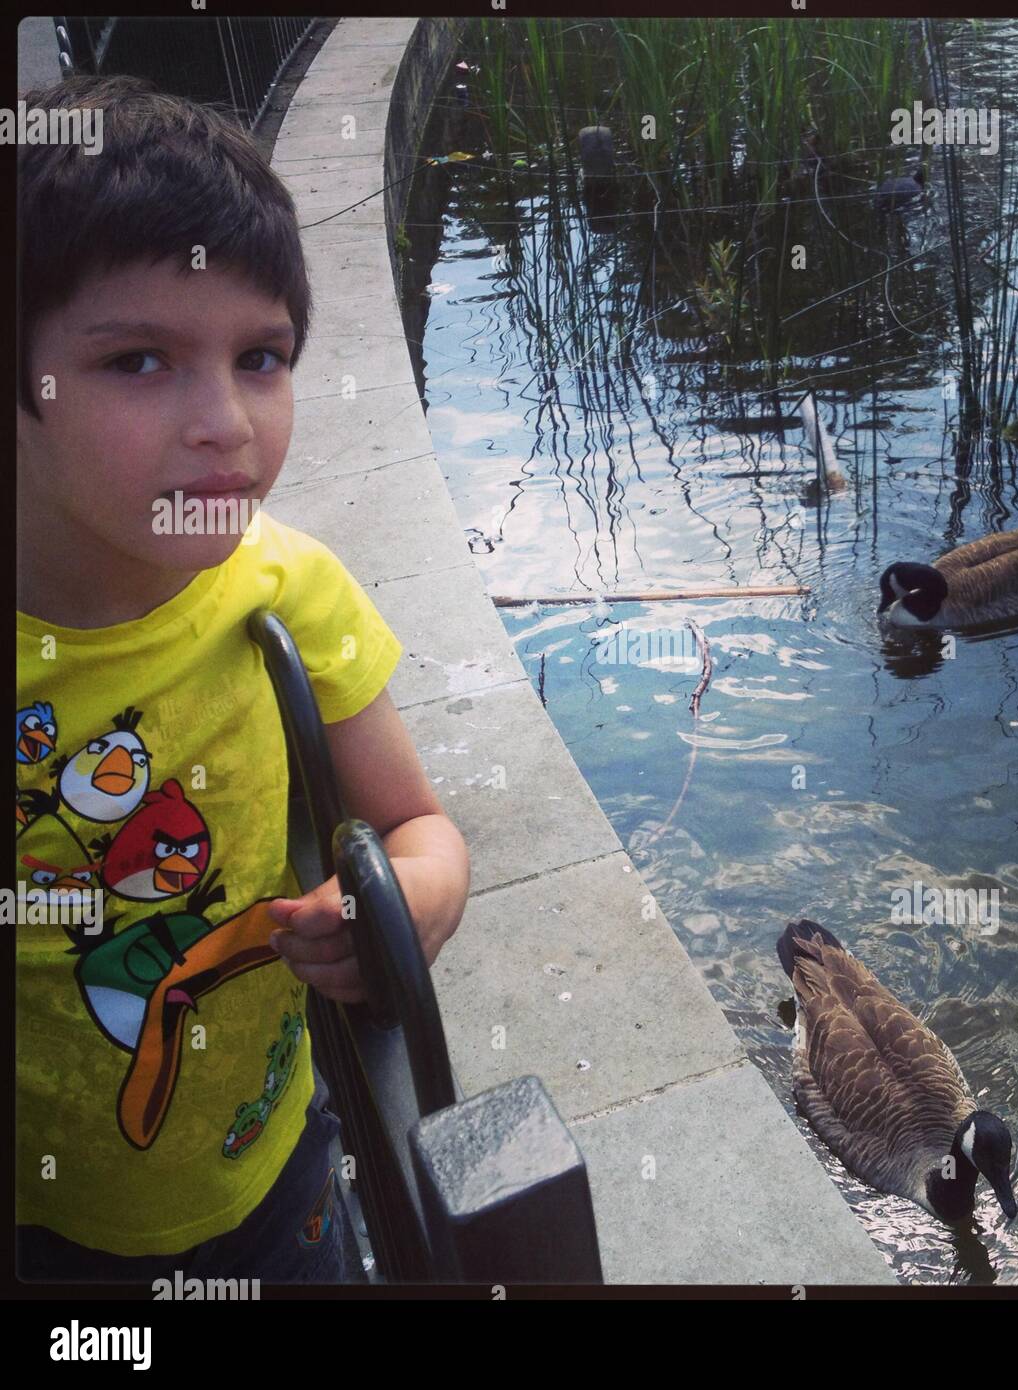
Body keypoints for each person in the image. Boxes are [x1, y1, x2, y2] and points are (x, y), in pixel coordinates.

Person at [15, 75, 471, 1284]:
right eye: (141, 360)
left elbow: (422, 829)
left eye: (262, 356)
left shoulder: (289, 597)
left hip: (278, 1181)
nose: (227, 422)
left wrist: (395, 919)